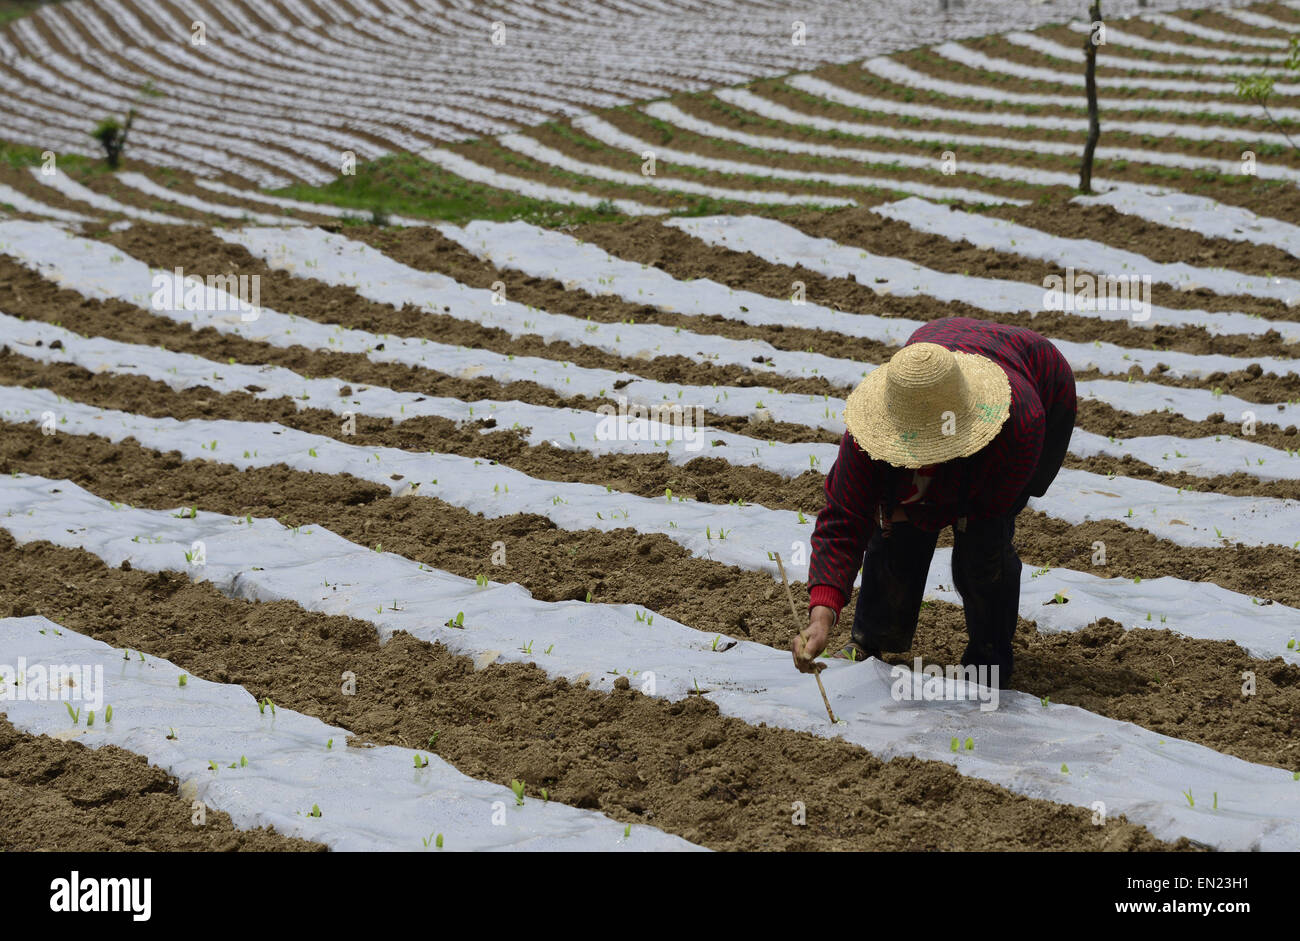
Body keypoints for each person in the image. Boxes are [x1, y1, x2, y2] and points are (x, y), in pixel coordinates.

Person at [791, 317, 1077, 686]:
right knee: (891, 526)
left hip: (1045, 391)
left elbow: (984, 508)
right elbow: (841, 522)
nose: (918, 457)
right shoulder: (865, 440)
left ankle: (988, 659)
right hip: (938, 343)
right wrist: (821, 617)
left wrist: (917, 508)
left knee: (984, 543)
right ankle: (874, 638)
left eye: (930, 447)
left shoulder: (1018, 424)